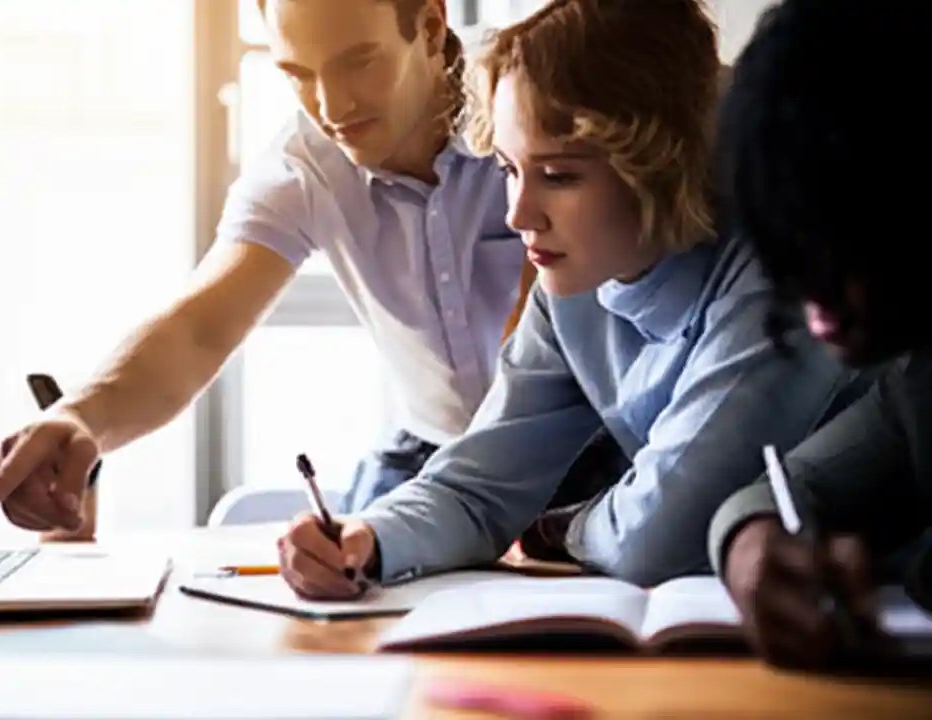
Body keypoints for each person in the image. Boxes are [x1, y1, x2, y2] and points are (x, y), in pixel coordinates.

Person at [277, 0, 859, 599]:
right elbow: (478, 486)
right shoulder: (574, 286)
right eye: (508, 168)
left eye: (558, 176)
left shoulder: (778, 273)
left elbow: (658, 536)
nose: (518, 214)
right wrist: (368, 537)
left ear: (660, 164)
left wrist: (567, 527)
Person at [0, 0, 531, 537]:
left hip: (579, 446)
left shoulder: (533, 101)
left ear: (431, 27)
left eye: (358, 62)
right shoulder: (304, 164)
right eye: (298, 74)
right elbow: (199, 329)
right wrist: (80, 420)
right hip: (428, 452)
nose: (332, 108)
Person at [706, 0, 932, 671]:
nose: (815, 306)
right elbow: (781, 491)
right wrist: (752, 544)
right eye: (791, 250)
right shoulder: (914, 382)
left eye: (849, 242)